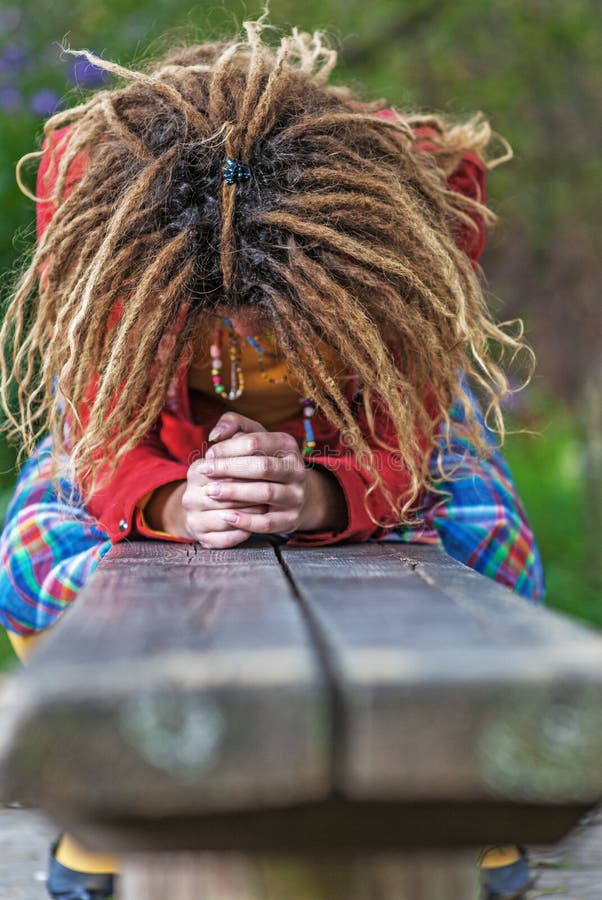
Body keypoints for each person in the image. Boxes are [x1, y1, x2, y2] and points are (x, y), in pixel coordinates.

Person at [0, 19, 543, 899]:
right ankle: (111, 783)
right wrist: (178, 504)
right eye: (222, 334)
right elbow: (94, 429)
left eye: (284, 335)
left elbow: (422, 417)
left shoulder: (408, 211)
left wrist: (327, 495)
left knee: (491, 545)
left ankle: (455, 779)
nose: (255, 359)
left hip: (371, 431)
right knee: (32, 548)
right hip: (157, 440)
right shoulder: (106, 217)